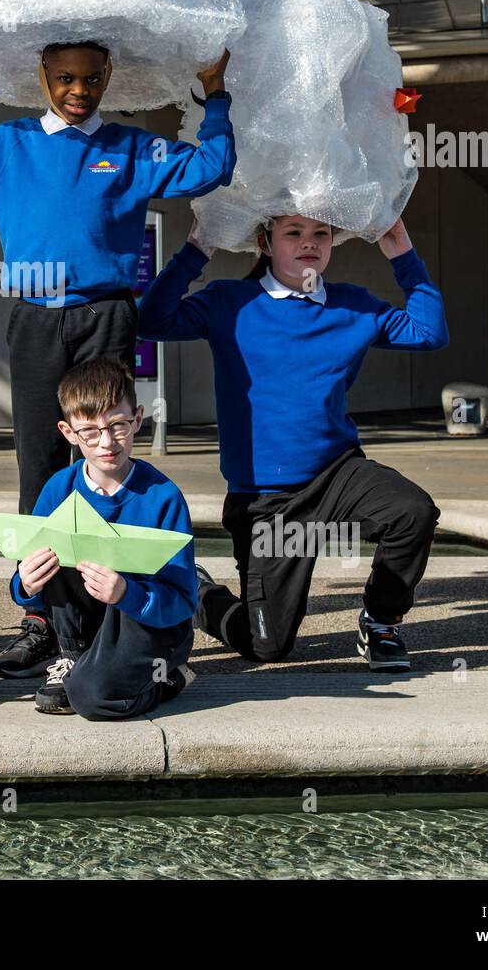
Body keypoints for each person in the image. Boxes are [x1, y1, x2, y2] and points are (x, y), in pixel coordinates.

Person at [0, 38, 234, 679]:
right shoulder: (7, 144)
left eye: (89, 78)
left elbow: (212, 168)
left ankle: (119, 600)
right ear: (42, 76)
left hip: (107, 314)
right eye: (63, 78)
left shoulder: (134, 148)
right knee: (40, 461)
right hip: (34, 322)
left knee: (106, 455)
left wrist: (214, 93)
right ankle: (41, 617)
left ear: (108, 75)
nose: (76, 89)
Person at [136, 213, 448, 671]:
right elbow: (151, 320)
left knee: (413, 511)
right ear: (265, 242)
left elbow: (429, 332)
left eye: (321, 233)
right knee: (268, 646)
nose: (309, 243)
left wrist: (402, 254)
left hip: (336, 473)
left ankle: (381, 623)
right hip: (265, 500)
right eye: (293, 233)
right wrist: (197, 249)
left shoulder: (352, 306)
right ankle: (199, 592)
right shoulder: (230, 302)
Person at [11, 359, 197, 718]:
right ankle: (71, 659)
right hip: (86, 628)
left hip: (149, 624)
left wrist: (128, 593)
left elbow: (182, 604)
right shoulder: (58, 489)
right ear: (68, 433)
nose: (107, 442)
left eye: (118, 425)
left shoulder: (164, 497)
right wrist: (25, 584)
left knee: (93, 700)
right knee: (56, 552)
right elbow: (26, 580)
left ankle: (169, 678)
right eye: (91, 432)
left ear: (138, 419)